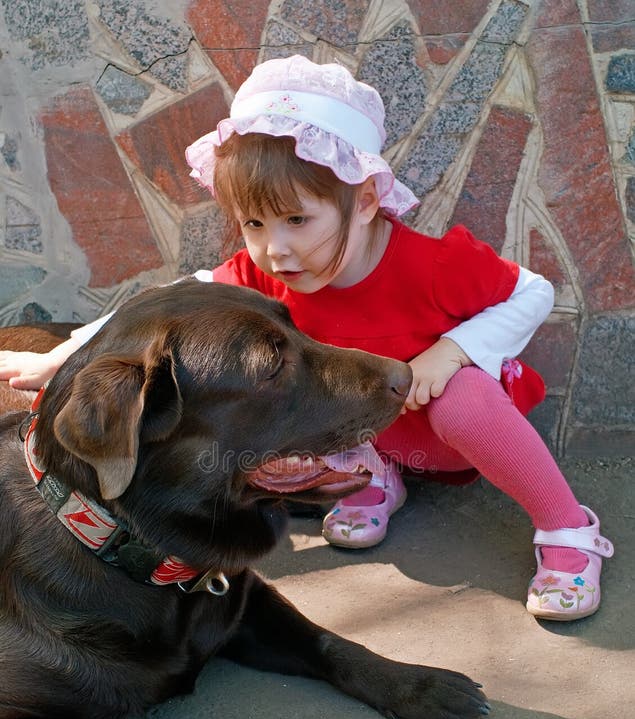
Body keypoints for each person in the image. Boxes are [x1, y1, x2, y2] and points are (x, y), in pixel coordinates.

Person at [0, 55, 613, 621]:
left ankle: (566, 529)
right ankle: (375, 473)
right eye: (254, 223)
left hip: (448, 425)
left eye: (297, 219)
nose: (276, 249)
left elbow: (532, 291)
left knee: (463, 398)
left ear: (365, 200)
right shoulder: (264, 275)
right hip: (373, 421)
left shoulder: (432, 265)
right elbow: (164, 305)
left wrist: (452, 353)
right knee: (294, 393)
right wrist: (64, 355)